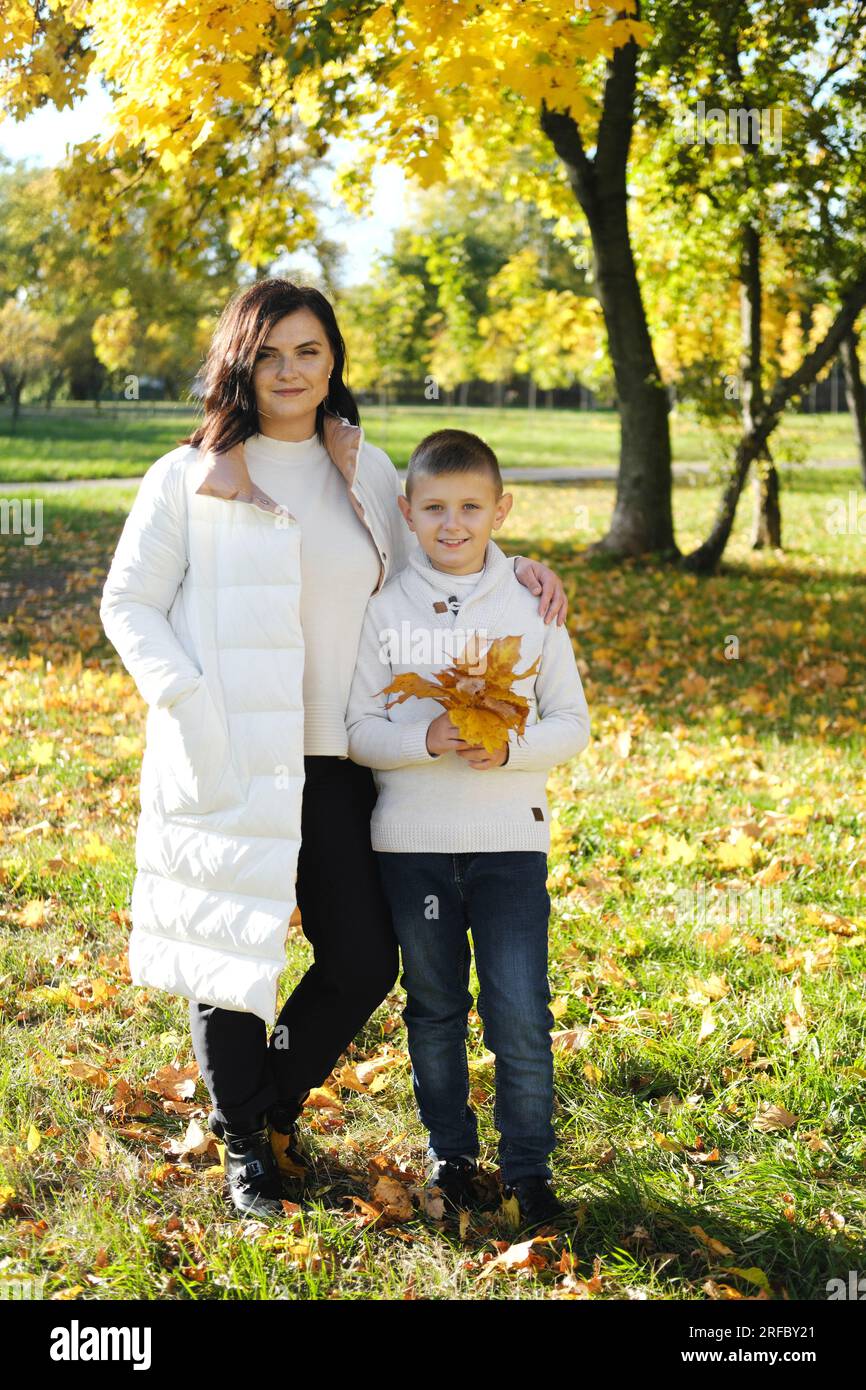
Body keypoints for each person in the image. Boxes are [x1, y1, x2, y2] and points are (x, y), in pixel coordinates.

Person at [99, 279, 571, 1218]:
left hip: (343, 756)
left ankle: (267, 1104)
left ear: (333, 362)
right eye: (269, 353)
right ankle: (250, 1149)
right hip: (230, 747)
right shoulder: (185, 477)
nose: (289, 371)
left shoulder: (367, 468)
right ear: (240, 360)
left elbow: (442, 552)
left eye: (308, 351)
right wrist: (188, 700)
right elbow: (129, 604)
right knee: (230, 953)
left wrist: (520, 574)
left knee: (363, 958)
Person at [346, 428, 591, 1229]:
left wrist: (510, 744)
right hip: (412, 847)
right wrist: (425, 741)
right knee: (435, 1007)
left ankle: (529, 1168)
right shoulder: (380, 611)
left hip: (509, 845)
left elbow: (573, 722)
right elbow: (355, 730)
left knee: (520, 1009)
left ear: (500, 511)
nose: (453, 524)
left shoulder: (532, 604)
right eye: (436, 508)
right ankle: (451, 1153)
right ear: (406, 511)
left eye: (472, 508)